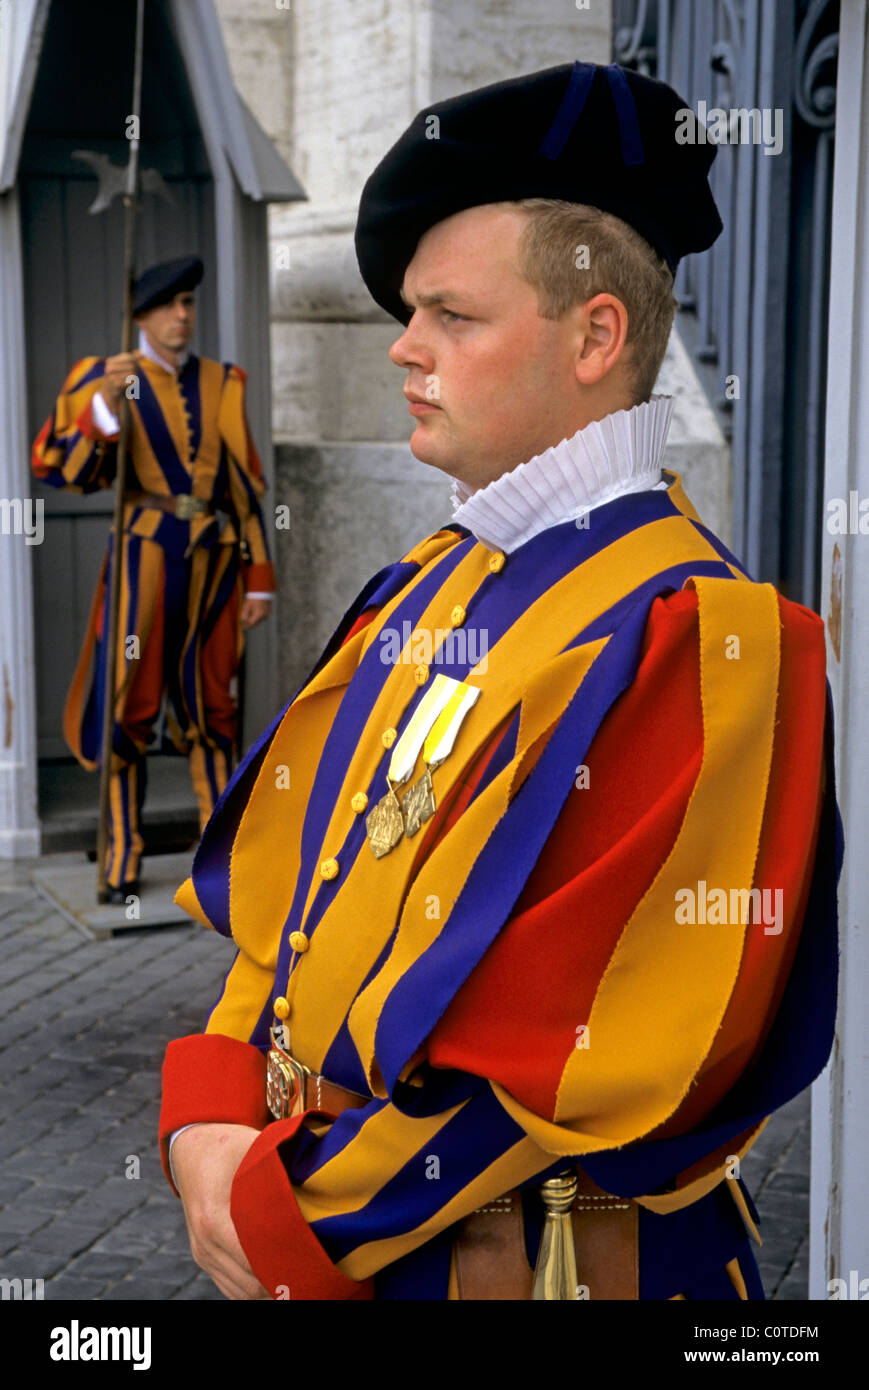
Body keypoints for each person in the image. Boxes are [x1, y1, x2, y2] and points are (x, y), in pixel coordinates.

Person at [159, 62, 841, 1300]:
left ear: (595, 335)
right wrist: (209, 1109)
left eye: (450, 317)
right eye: (407, 316)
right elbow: (299, 902)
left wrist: (271, 1203)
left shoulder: (710, 636)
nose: (403, 351)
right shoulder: (424, 583)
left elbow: (556, 1062)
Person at [32, 257, 276, 903]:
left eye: (189, 303)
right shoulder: (104, 378)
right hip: (143, 562)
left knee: (213, 710)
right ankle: (121, 863)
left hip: (214, 562)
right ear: (139, 315)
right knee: (127, 706)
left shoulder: (223, 382)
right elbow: (63, 472)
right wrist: (104, 411)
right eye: (168, 305)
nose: (182, 316)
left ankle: (220, 867)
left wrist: (259, 575)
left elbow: (247, 488)